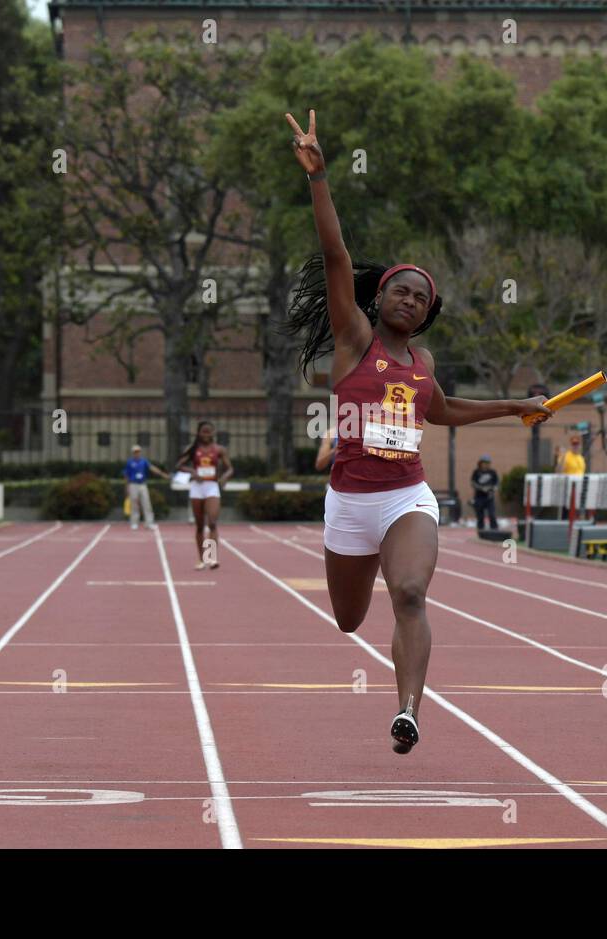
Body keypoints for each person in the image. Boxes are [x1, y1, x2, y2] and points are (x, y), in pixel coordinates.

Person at [283, 108, 551, 754]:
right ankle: (387, 657)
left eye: (420, 298)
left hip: (406, 497)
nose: (409, 300)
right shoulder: (353, 340)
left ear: (427, 315)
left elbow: (444, 411)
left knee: (408, 592)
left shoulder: (422, 364)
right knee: (349, 620)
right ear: (379, 300)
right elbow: (335, 255)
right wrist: (319, 178)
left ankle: (408, 710)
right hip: (350, 501)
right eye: (400, 291)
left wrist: (514, 406)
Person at [175, 421, 232, 569]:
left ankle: (211, 558)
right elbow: (179, 465)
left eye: (209, 432)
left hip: (212, 487)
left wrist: (225, 477)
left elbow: (230, 468)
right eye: (204, 432)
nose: (206, 435)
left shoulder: (219, 449)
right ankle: (201, 559)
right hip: (197, 488)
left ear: (213, 433)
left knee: (212, 522)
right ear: (199, 433)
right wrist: (193, 472)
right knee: (200, 526)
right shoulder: (193, 449)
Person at [124, 444, 167, 530]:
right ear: (133, 453)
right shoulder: (129, 462)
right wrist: (127, 487)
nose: (137, 453)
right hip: (133, 484)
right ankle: (134, 523)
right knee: (134, 504)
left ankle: (149, 523)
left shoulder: (144, 461)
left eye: (138, 451)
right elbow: (126, 475)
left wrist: (162, 474)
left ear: (140, 452)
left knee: (146, 503)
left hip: (142, 484)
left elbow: (152, 468)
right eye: (135, 452)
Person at [470, 455, 500, 531]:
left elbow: (497, 483)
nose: (486, 465)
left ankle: (494, 529)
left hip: (489, 497)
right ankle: (481, 530)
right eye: (484, 463)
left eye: (488, 463)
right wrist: (481, 488)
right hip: (479, 497)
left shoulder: (492, 472)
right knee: (480, 515)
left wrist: (493, 488)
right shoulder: (476, 472)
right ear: (480, 463)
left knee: (492, 514)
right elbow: (473, 483)